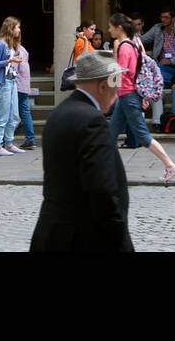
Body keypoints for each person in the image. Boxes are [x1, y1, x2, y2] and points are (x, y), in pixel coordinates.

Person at [30, 50, 131, 251]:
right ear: (103, 86)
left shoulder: (59, 113)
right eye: (116, 86)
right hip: (83, 238)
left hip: (51, 234)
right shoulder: (92, 121)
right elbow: (102, 190)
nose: (117, 94)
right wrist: (121, 241)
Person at [108, 13, 175, 181]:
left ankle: (170, 165)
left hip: (128, 95)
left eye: (111, 26)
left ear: (119, 28)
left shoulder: (124, 47)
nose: (109, 29)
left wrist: (109, 84)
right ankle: (101, 170)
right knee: (110, 133)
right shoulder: (132, 44)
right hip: (128, 95)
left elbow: (124, 72)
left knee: (142, 135)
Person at [144, 8, 175, 125]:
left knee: (166, 78)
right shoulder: (157, 29)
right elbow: (143, 39)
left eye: (166, 17)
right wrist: (130, 33)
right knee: (155, 72)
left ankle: (168, 83)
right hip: (163, 67)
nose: (163, 20)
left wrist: (171, 61)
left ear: (173, 19)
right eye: (162, 17)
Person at [0, 17, 24, 156]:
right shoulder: (1, 44)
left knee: (14, 115)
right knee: (3, 115)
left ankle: (9, 143)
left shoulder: (11, 45)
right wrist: (11, 59)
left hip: (11, 81)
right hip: (3, 83)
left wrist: (15, 59)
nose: (19, 30)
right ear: (10, 28)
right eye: (17, 27)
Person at [13, 37, 37, 150]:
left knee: (10, 112)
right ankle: (30, 138)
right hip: (24, 85)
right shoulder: (24, 50)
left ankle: (2, 138)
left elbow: (13, 70)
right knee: (25, 112)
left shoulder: (15, 51)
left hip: (17, 86)